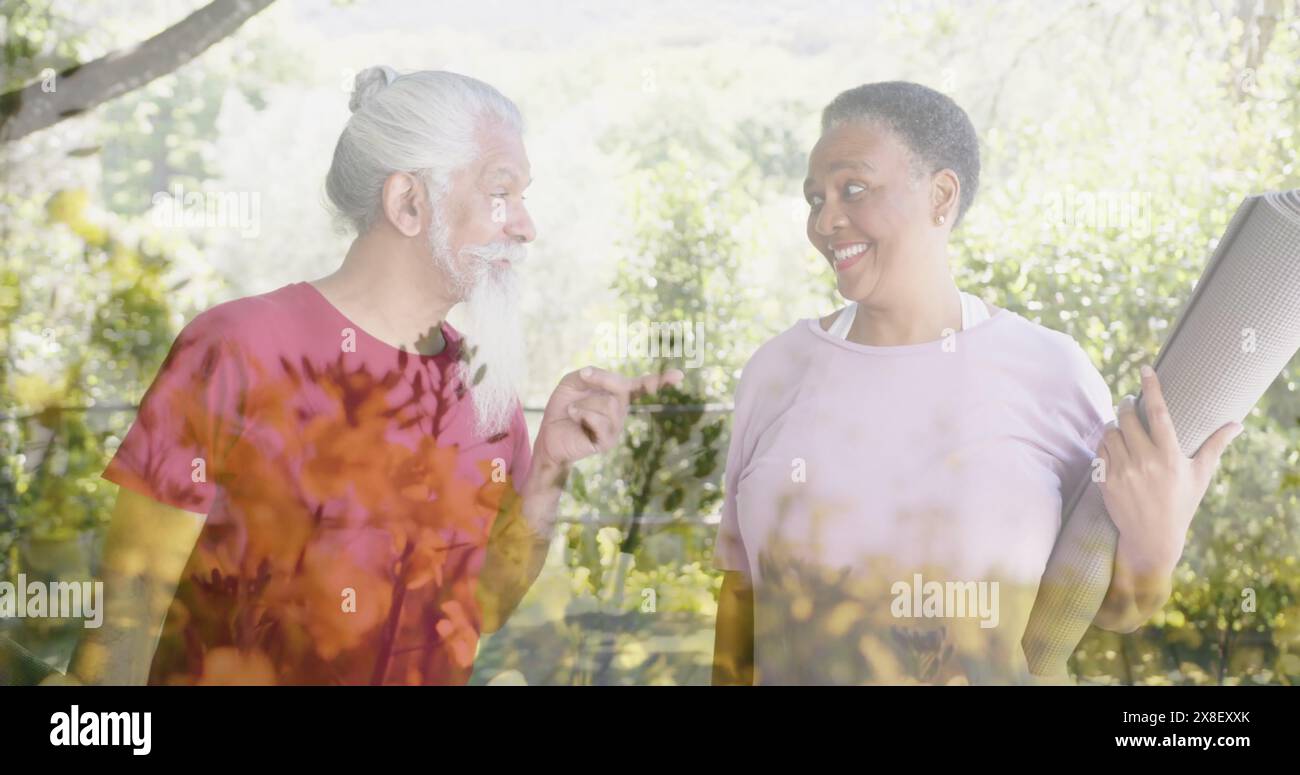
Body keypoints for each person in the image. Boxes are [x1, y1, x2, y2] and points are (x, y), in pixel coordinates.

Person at [64, 67, 681, 685]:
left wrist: (549, 467)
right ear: (409, 203)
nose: (525, 227)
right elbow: (127, 614)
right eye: (502, 194)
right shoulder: (236, 348)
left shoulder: (484, 387)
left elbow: (485, 607)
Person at [711, 81, 1243, 685]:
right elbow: (741, 596)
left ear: (941, 195)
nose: (826, 220)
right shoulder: (776, 371)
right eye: (815, 199)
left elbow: (1113, 610)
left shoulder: (1049, 372)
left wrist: (1157, 543)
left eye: (852, 189)